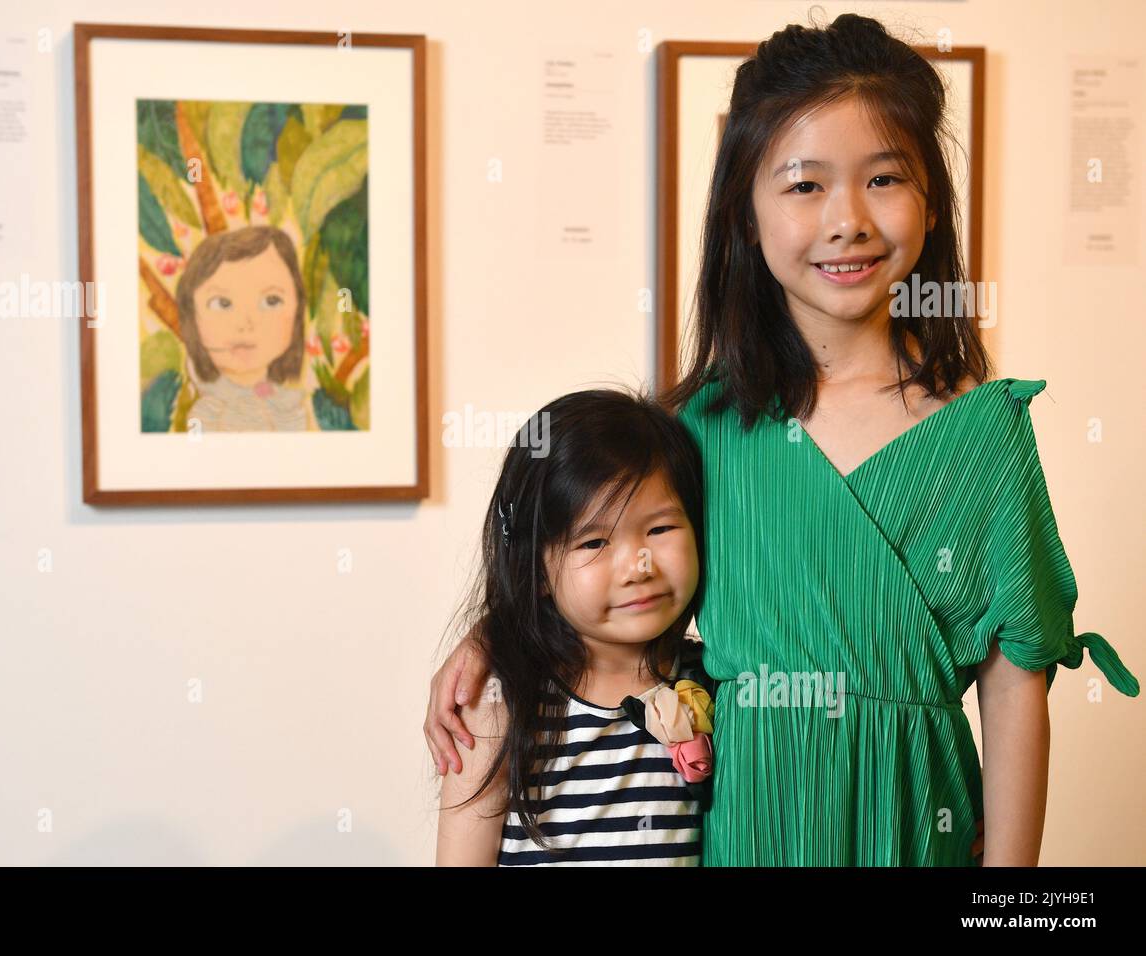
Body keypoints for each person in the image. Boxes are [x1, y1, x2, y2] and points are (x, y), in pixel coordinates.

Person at [426, 13, 1138, 865]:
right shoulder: (697, 432)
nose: (849, 221)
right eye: (804, 186)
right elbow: (613, 585)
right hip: (742, 833)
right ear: (745, 214)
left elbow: (1017, 680)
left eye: (884, 178)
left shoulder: (984, 433)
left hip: (914, 832)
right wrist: (486, 639)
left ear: (932, 200)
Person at [435, 388, 717, 866]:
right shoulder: (501, 701)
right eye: (593, 542)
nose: (637, 565)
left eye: (660, 529)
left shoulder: (713, 678)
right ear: (537, 570)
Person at [175, 224, 309, 431]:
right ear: (192, 315)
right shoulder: (207, 411)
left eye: (271, 301)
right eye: (222, 303)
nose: (245, 324)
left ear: (297, 308)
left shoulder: (290, 404)